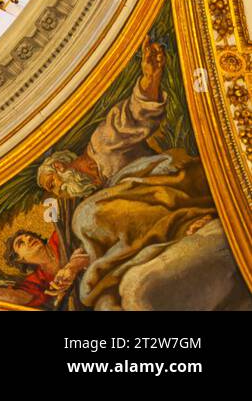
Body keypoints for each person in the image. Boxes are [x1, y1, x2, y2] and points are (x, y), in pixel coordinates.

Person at [37, 40, 252, 310]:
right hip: (147, 213)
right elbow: (103, 240)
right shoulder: (96, 188)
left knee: (85, 216)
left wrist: (151, 76)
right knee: (104, 297)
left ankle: (183, 223)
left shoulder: (102, 144)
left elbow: (138, 114)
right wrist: (73, 267)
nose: (59, 192)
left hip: (170, 185)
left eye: (54, 185)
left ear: (60, 167)